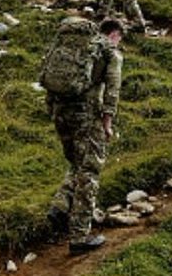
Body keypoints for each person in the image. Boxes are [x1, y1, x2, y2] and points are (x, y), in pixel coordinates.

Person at [42, 15, 124, 255]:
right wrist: (107, 120)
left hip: (60, 113)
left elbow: (48, 80)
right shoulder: (109, 51)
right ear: (115, 34)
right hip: (86, 116)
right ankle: (79, 235)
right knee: (90, 171)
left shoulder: (68, 48)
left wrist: (52, 111)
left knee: (76, 163)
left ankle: (59, 206)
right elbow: (113, 89)